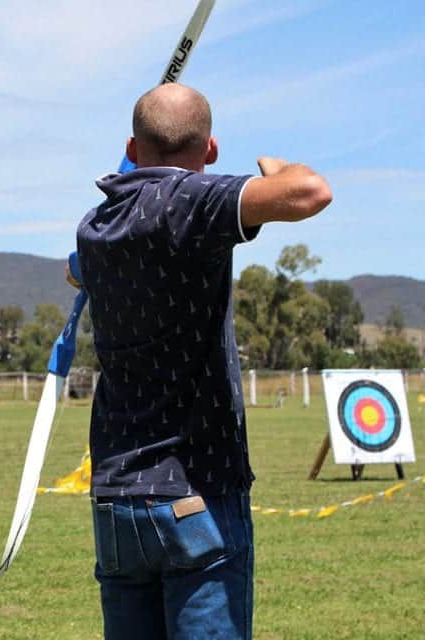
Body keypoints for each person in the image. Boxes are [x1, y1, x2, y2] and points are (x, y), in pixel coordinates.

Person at [74, 83, 332, 640]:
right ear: (209, 152)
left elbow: (74, 271)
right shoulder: (192, 202)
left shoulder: (93, 229)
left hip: (118, 501)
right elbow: (309, 191)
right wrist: (274, 166)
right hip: (198, 494)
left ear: (132, 145)